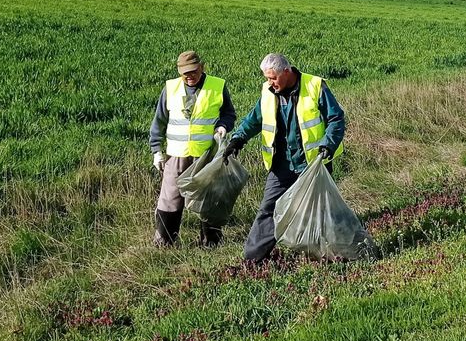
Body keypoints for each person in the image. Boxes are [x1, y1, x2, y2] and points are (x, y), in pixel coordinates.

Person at [222, 53, 346, 262]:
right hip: (281, 165)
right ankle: (252, 260)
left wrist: (328, 145)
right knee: (269, 209)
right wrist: (238, 139)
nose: (270, 83)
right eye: (267, 78)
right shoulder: (268, 91)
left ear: (287, 72)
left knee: (320, 212)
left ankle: (330, 255)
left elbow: (336, 118)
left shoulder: (315, 86)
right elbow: (254, 119)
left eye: (273, 78)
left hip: (312, 163)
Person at [148, 50, 236, 247]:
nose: (190, 76)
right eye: (185, 73)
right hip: (176, 154)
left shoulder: (217, 86)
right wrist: (156, 150)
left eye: (193, 71)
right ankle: (165, 242)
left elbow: (229, 114)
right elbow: (159, 122)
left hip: (206, 155)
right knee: (170, 198)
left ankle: (210, 242)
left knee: (209, 198)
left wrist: (223, 126)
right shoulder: (170, 88)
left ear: (201, 67)